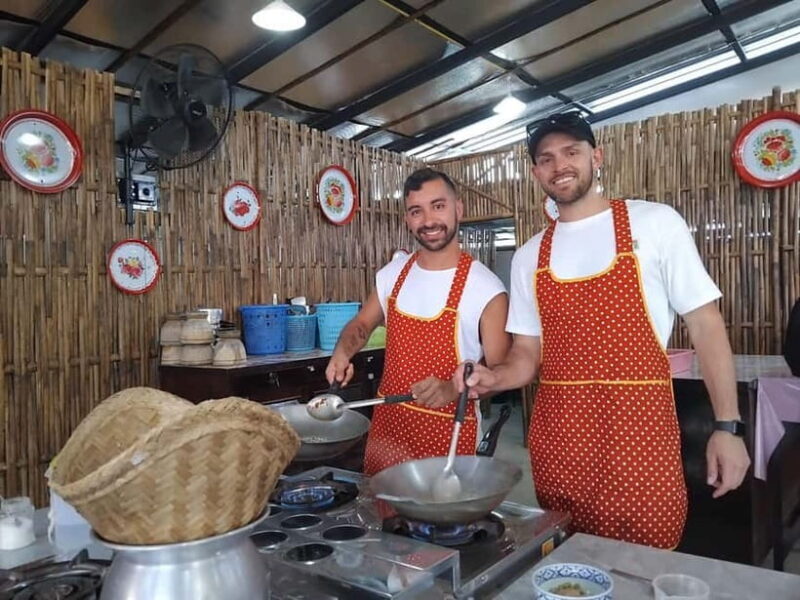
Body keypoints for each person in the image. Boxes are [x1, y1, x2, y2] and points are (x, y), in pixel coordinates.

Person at [456, 111, 751, 549]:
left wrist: (727, 427)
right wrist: (494, 377)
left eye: (571, 152)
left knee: (648, 560)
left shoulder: (654, 224)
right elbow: (526, 353)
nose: (560, 166)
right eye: (546, 158)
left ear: (597, 156)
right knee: (571, 568)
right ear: (536, 171)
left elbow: (706, 327)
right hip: (561, 444)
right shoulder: (529, 256)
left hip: (641, 440)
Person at [325, 167, 511, 475]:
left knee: (441, 521)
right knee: (380, 516)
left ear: (458, 209)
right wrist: (342, 353)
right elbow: (361, 325)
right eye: (416, 211)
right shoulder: (392, 276)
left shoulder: (486, 288)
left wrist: (455, 390)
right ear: (407, 219)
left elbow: (501, 372)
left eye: (438, 206)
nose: (428, 221)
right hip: (388, 432)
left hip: (449, 437)